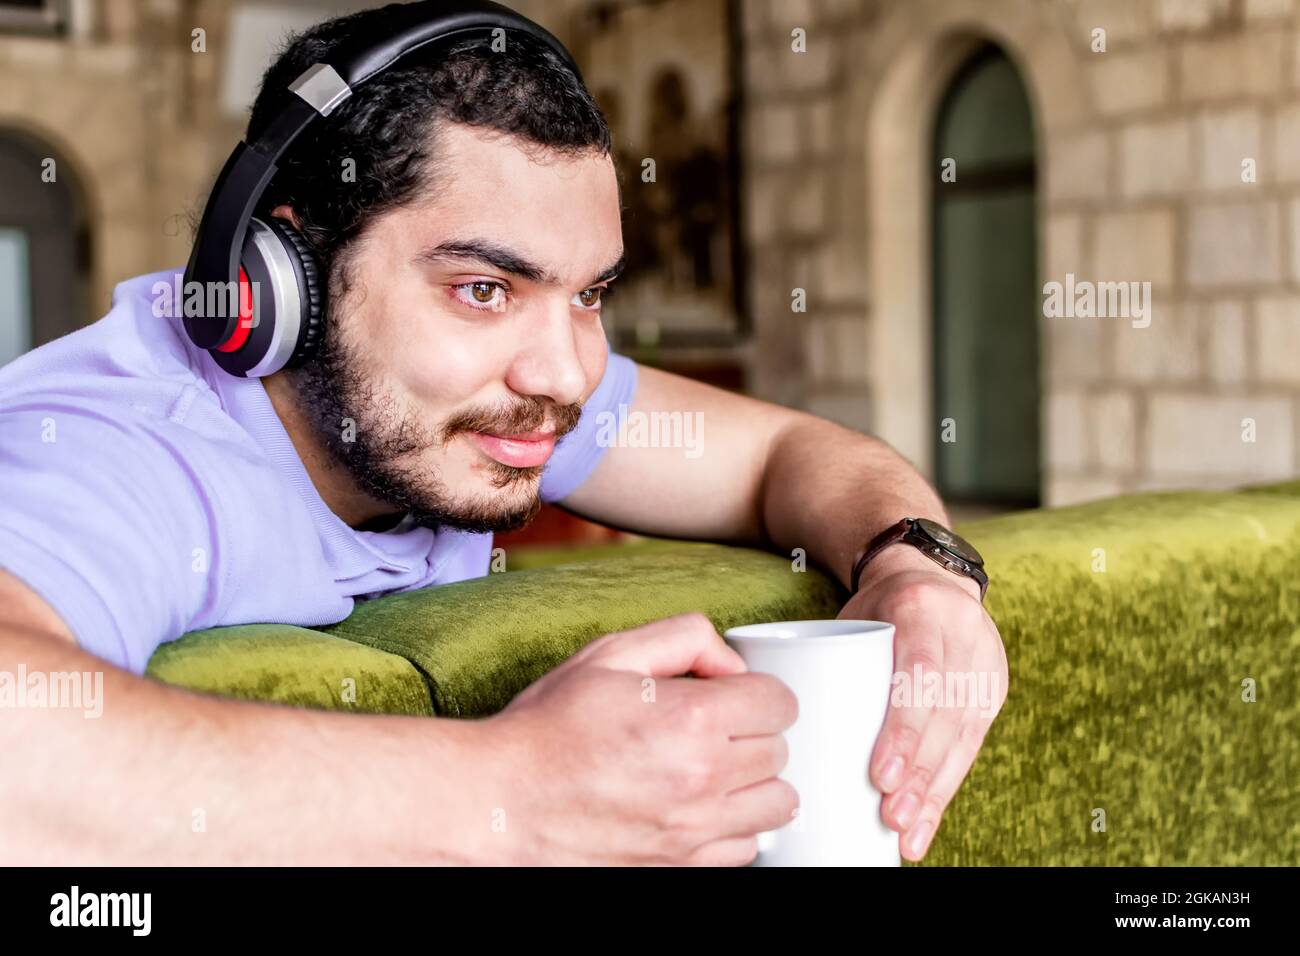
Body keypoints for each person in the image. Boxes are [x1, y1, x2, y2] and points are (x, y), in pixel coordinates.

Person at [0, 4, 1005, 865]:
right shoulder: (122, 446)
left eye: (589, 294)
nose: (567, 374)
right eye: (483, 288)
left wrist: (917, 565)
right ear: (279, 282)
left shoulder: (488, 397)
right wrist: (517, 790)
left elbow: (786, 457)